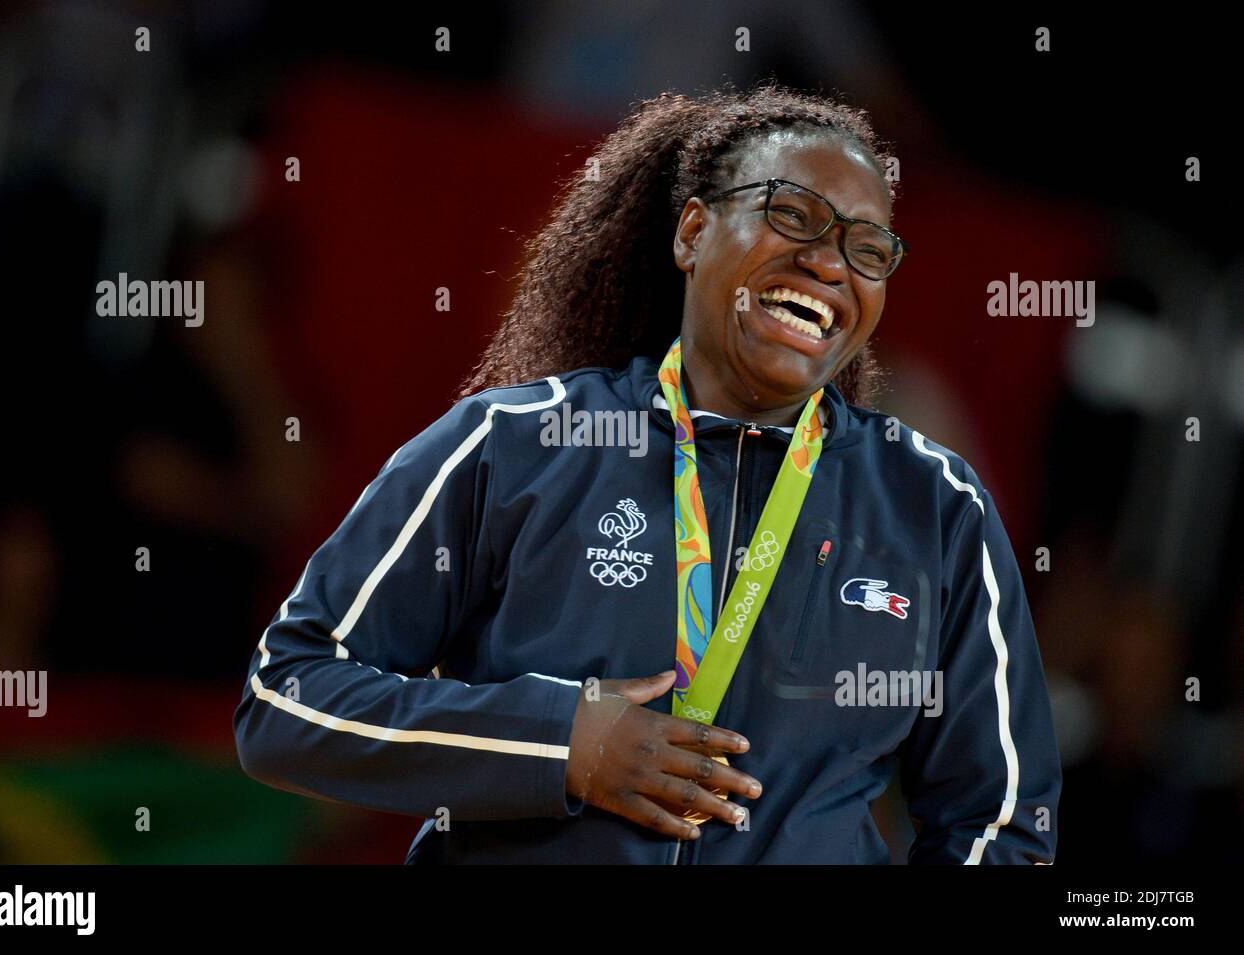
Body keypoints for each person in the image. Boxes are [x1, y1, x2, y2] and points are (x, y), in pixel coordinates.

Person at [233, 84, 1062, 864]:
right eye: (794, 217)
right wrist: (561, 743)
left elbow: (1000, 820)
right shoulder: (518, 444)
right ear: (693, 233)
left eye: (869, 248)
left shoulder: (932, 508)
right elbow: (285, 702)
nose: (830, 263)